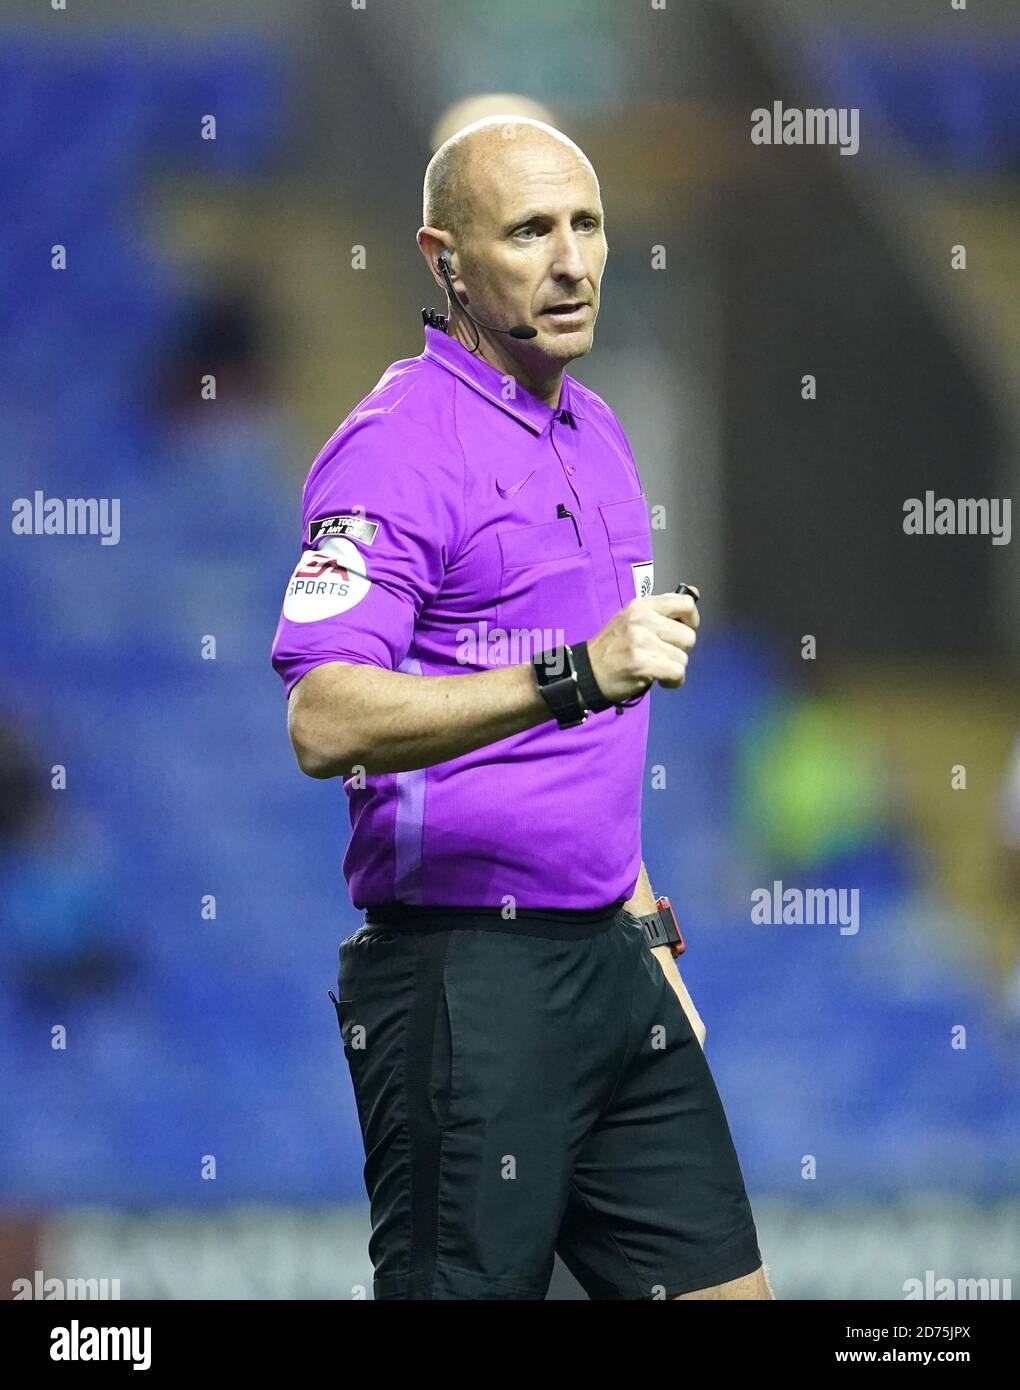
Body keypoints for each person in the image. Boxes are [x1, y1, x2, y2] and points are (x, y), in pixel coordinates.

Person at [271, 115, 771, 1301]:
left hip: (613, 965)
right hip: (467, 982)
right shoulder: (396, 445)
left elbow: (596, 751)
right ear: (445, 258)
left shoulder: (597, 430)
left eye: (587, 225)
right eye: (530, 232)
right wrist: (568, 674)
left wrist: (648, 937)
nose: (572, 261)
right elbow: (323, 719)